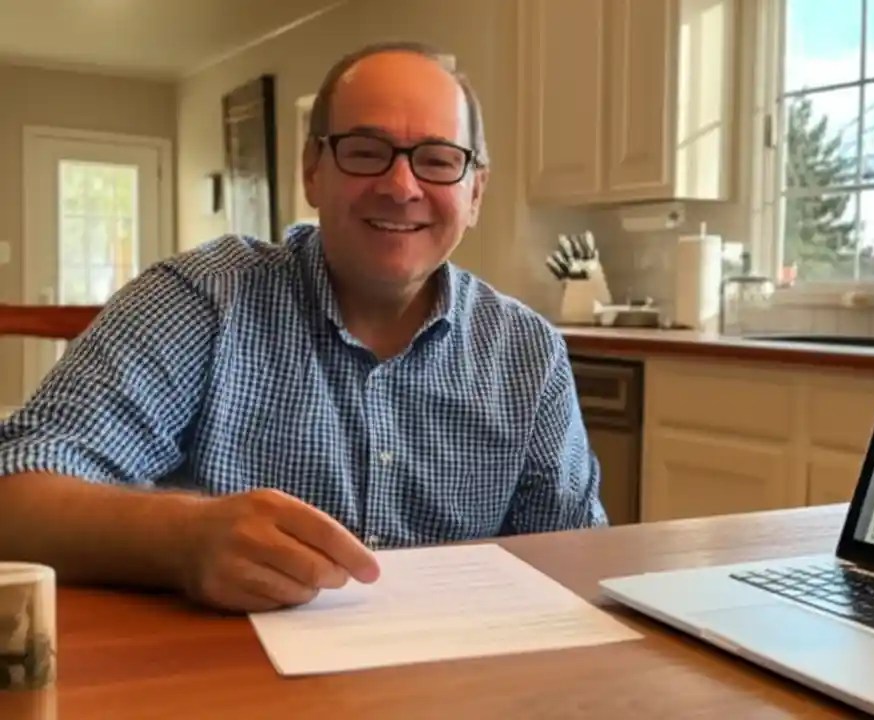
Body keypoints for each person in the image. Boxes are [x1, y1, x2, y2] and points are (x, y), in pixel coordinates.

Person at [0, 42, 606, 613]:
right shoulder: (201, 301)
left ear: (475, 192)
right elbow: (15, 498)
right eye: (365, 151)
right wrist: (182, 540)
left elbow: (576, 563)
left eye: (439, 160)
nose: (401, 187)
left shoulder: (529, 354)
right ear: (313, 170)